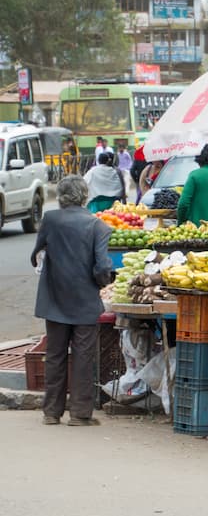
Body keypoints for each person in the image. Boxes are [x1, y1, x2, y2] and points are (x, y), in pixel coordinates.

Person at [31, 175, 115, 426]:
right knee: (83, 356)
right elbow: (102, 267)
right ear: (84, 196)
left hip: (54, 297)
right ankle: (79, 414)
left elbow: (37, 252)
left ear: (61, 197)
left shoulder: (50, 219)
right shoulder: (97, 226)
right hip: (84, 300)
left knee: (55, 354)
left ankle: (51, 412)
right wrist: (103, 282)